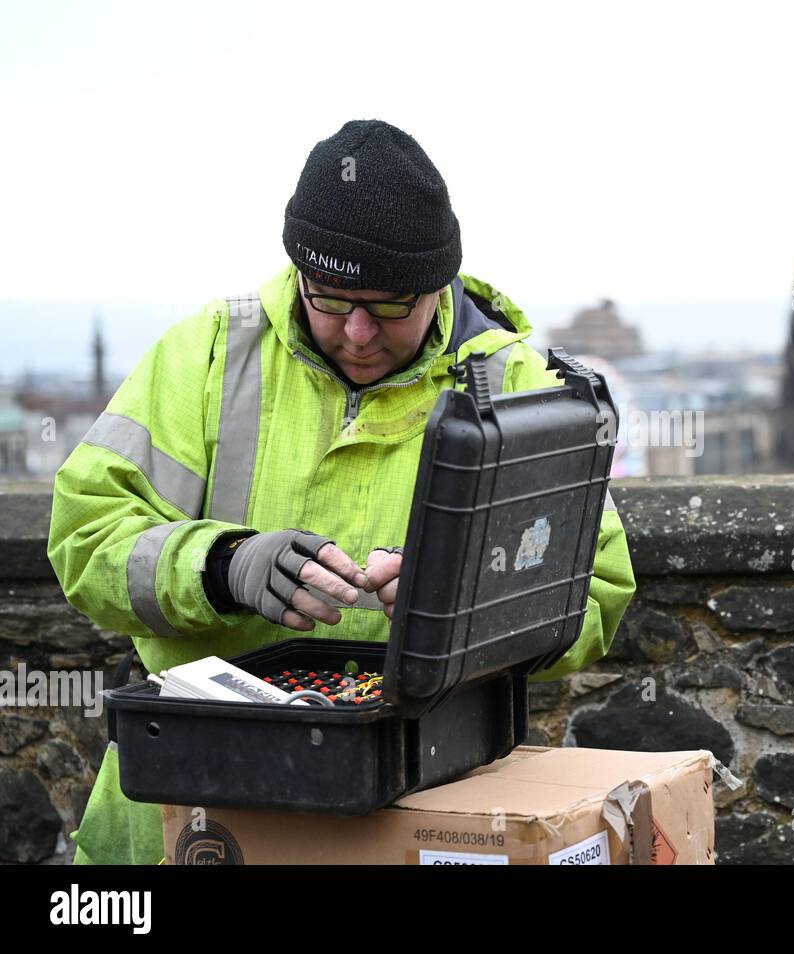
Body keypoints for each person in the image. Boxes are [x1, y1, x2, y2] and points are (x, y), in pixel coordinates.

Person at [46, 119, 637, 865]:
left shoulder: (522, 388)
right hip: (189, 805)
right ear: (296, 270)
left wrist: (465, 607)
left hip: (418, 816)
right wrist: (223, 566)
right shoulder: (207, 355)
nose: (357, 332)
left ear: (439, 284)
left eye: (389, 306)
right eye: (328, 298)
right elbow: (85, 537)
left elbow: (597, 592)